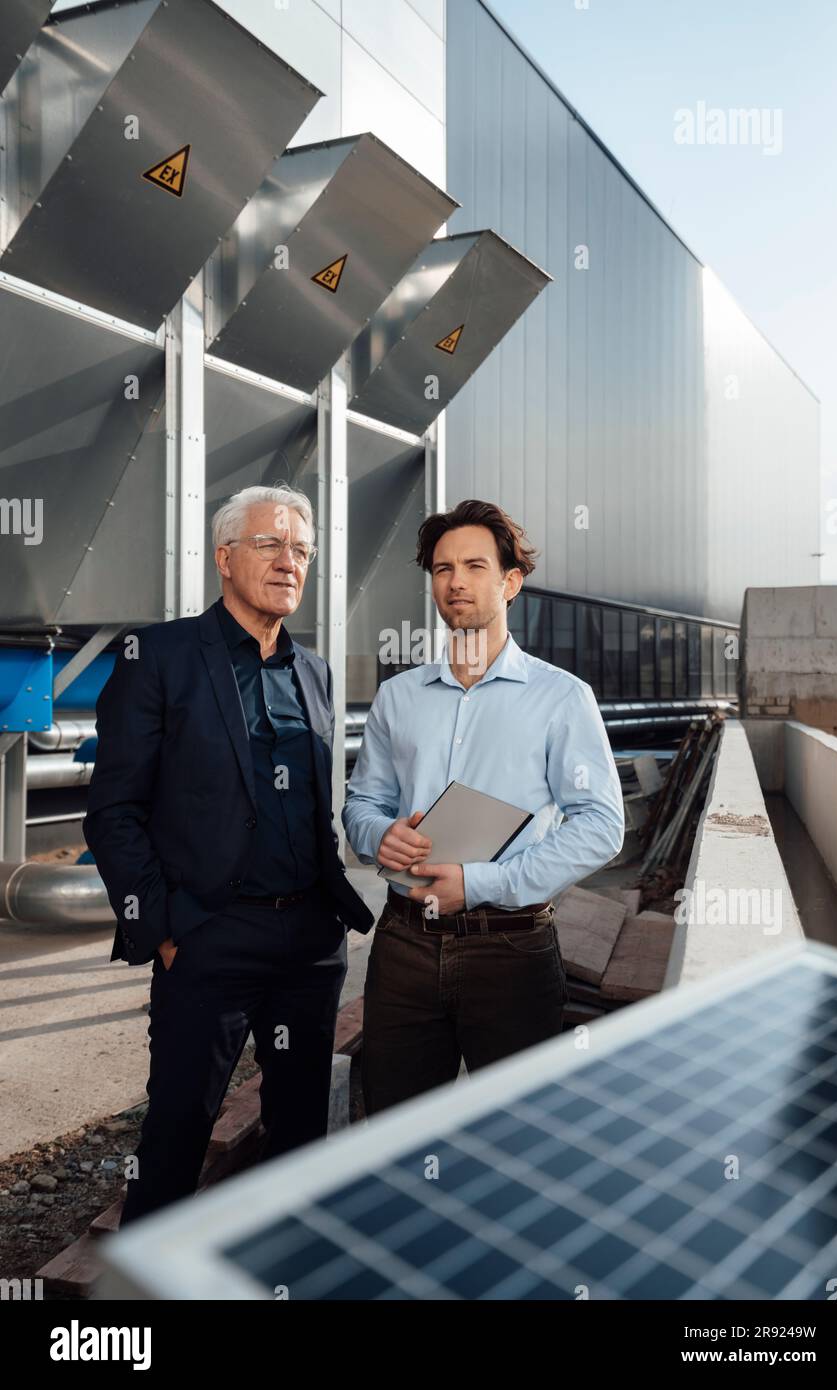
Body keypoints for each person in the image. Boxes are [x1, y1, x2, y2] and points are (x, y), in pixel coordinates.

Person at [83, 484, 373, 1225]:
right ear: (224, 556)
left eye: (302, 550)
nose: (289, 562)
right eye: (270, 544)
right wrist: (166, 931)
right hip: (209, 940)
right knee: (175, 1139)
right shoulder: (161, 656)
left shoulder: (313, 673)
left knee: (301, 1137)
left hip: (309, 942)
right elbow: (113, 813)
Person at [343, 498, 624, 1114]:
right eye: (443, 569)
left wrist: (483, 882)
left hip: (512, 952)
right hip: (405, 947)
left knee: (517, 1141)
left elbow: (602, 826)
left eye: (474, 565)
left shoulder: (561, 698)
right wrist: (377, 834)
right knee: (395, 1130)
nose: (456, 581)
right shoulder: (399, 697)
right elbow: (363, 802)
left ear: (510, 581)